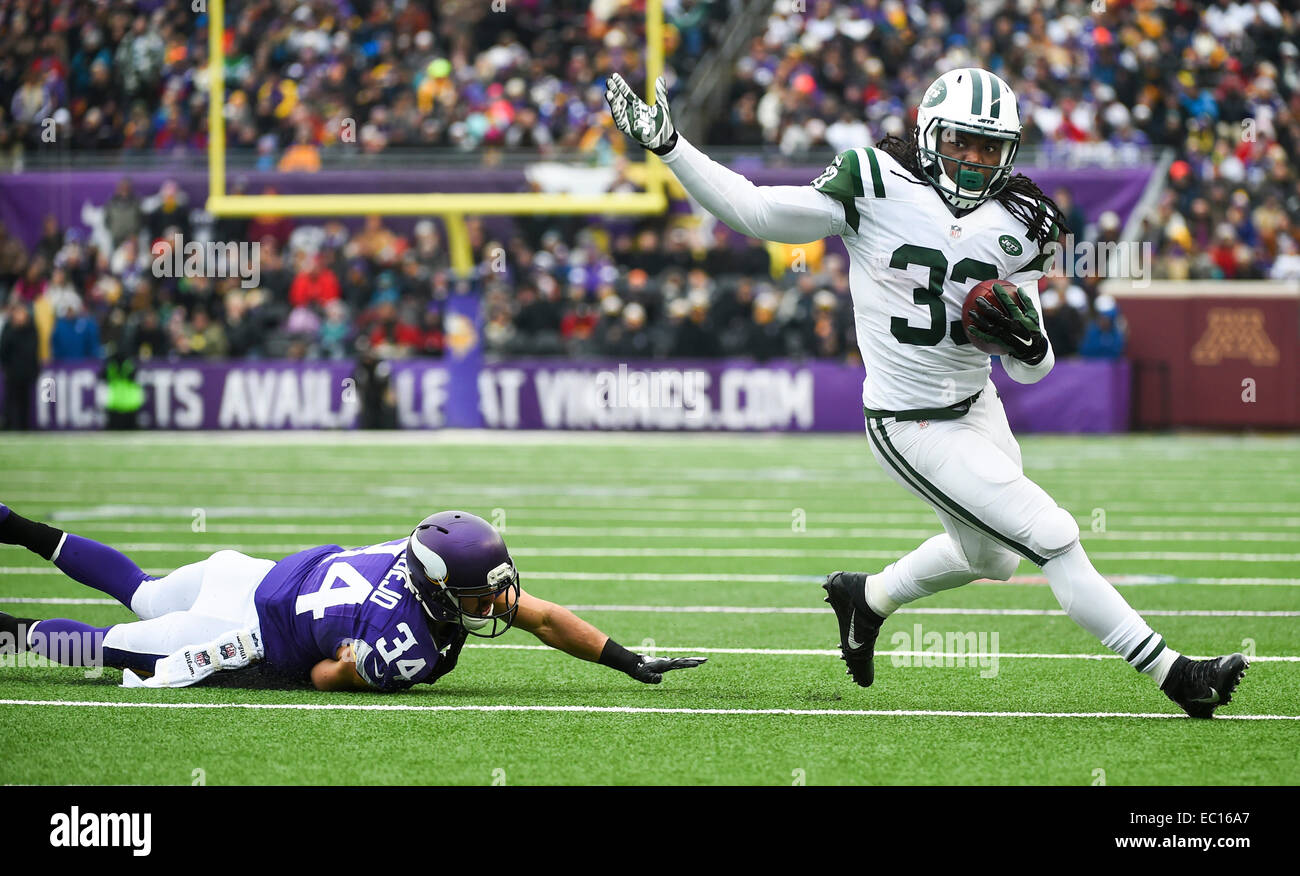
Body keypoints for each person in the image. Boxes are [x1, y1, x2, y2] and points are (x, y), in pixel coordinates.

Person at [606, 68, 1247, 718]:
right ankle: (1178, 675)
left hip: (977, 404)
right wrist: (672, 147)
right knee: (1051, 533)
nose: (972, 160)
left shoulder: (1021, 221)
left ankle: (867, 599)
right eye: (961, 142)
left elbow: (1033, 369)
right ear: (931, 134)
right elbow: (760, 212)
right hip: (908, 421)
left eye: (988, 148)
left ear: (1011, 152)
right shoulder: (875, 182)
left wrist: (1028, 342)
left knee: (993, 559)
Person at [0, 505, 706, 691]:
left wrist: (623, 658)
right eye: (479, 597)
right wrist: (353, 666)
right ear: (440, 591)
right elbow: (317, 676)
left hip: (249, 570)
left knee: (144, 592)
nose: (495, 607)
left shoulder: (420, 570)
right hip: (237, 621)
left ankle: (15, 525)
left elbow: (544, 617)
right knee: (112, 647)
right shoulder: (404, 645)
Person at [0, 303, 40, 429]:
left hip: (26, 371)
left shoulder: (31, 329)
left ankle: (23, 426)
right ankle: (10, 425)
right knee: (11, 399)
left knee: (25, 401)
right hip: (12, 371)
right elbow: (3, 349)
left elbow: (32, 351)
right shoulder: (8, 328)